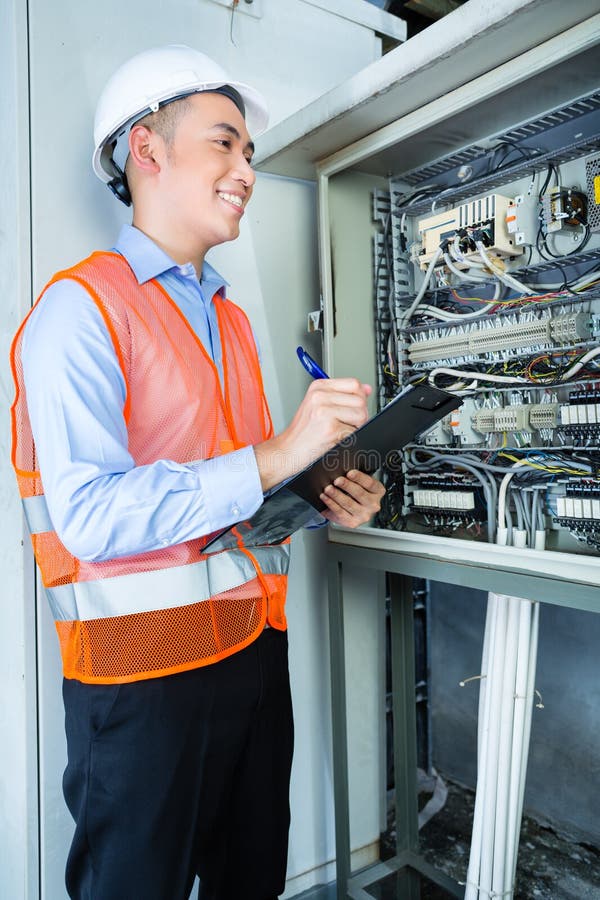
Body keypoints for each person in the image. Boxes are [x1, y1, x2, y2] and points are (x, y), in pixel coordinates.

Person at [10, 44, 385, 900]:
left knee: (250, 883)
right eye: (224, 143)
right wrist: (280, 454)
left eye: (248, 152)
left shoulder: (232, 320)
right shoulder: (78, 310)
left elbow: (246, 499)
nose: (245, 169)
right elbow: (92, 518)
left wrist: (324, 497)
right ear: (147, 149)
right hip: (140, 688)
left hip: (253, 660)